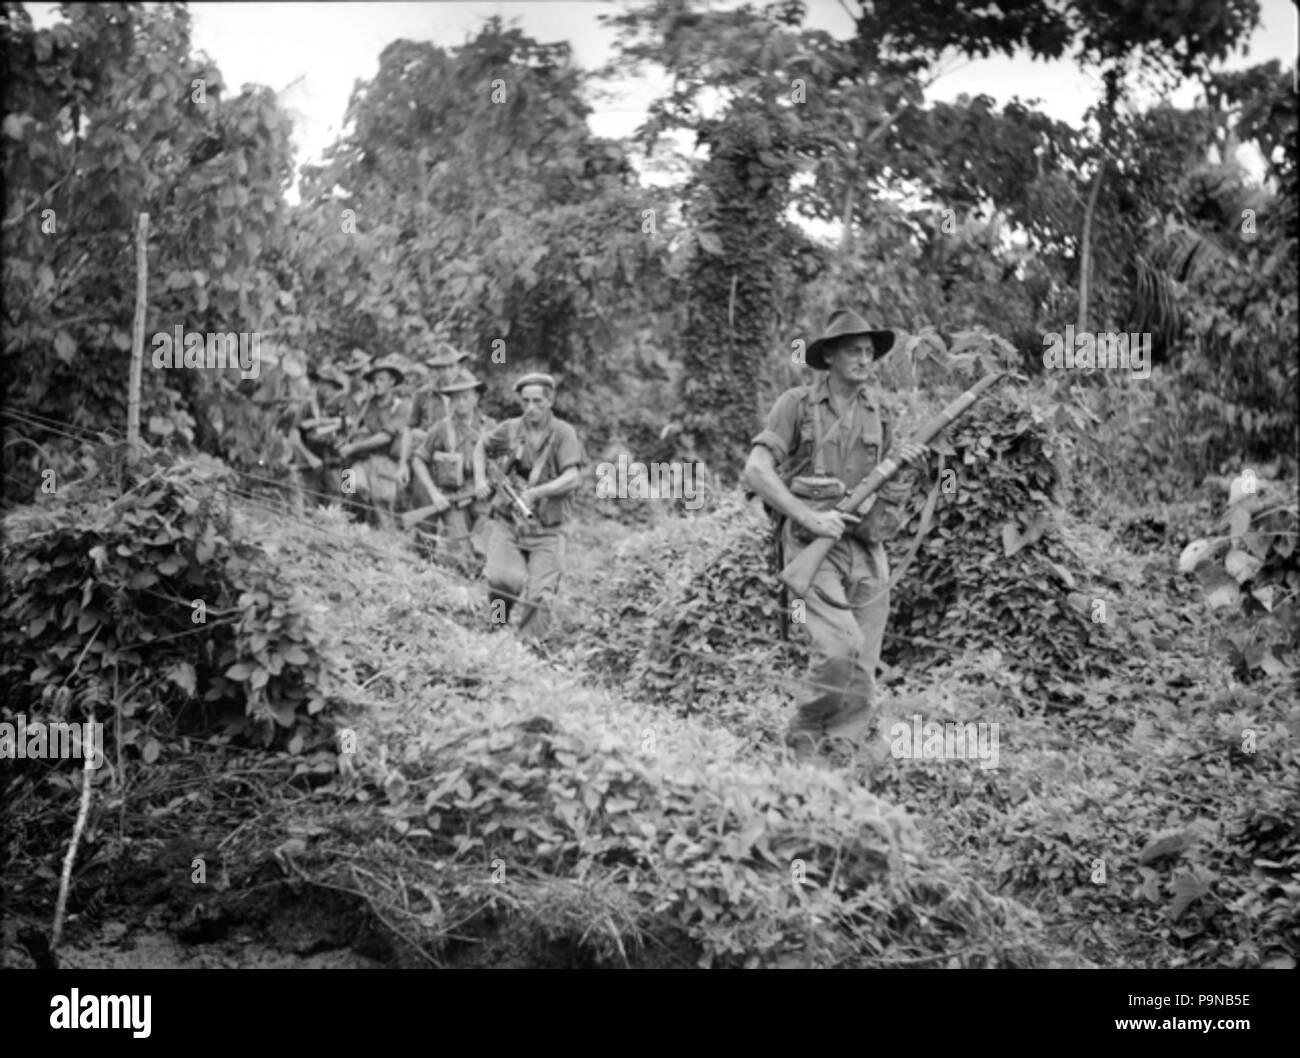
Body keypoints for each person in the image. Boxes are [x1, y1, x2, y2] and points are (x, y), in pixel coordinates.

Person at [742, 309, 929, 764]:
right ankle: (804, 734)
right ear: (829, 356)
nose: (865, 360)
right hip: (812, 546)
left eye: (870, 352)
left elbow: (885, 489)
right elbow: (756, 471)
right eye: (854, 351)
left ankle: (843, 744)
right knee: (837, 646)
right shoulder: (796, 405)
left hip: (866, 548)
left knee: (864, 657)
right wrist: (807, 517)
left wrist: (906, 468)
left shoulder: (880, 411)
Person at [472, 372, 584, 640]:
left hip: (547, 529)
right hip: (509, 524)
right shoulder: (510, 429)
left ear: (550, 401)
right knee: (501, 581)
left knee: (540, 596)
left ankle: (528, 650)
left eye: (538, 401)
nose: (531, 408)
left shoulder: (563, 433)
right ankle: (495, 631)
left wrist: (537, 493)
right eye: (526, 402)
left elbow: (573, 476)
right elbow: (481, 446)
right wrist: (479, 480)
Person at [410, 368, 495, 569]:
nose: (461, 403)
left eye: (465, 397)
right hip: (454, 501)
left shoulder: (490, 427)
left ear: (476, 397)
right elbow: (418, 460)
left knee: (484, 553)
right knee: (459, 557)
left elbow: (505, 464)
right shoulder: (442, 428)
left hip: (483, 502)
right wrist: (434, 493)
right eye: (456, 398)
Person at [337, 354, 410, 530]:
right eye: (374, 380)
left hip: (386, 464)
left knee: (383, 513)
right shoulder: (367, 405)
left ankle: (384, 543)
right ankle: (351, 529)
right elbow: (355, 430)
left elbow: (385, 436)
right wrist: (346, 440)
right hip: (361, 461)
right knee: (350, 491)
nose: (376, 384)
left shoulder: (401, 406)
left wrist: (354, 446)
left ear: (392, 382)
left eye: (381, 379)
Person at [399, 341, 471, 498]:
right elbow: (409, 428)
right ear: (436, 370)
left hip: (459, 462)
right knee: (425, 512)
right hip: (428, 461)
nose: (446, 372)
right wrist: (403, 464)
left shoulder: (468, 395)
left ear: (458, 368)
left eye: (451, 367)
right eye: (442, 368)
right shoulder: (424, 394)